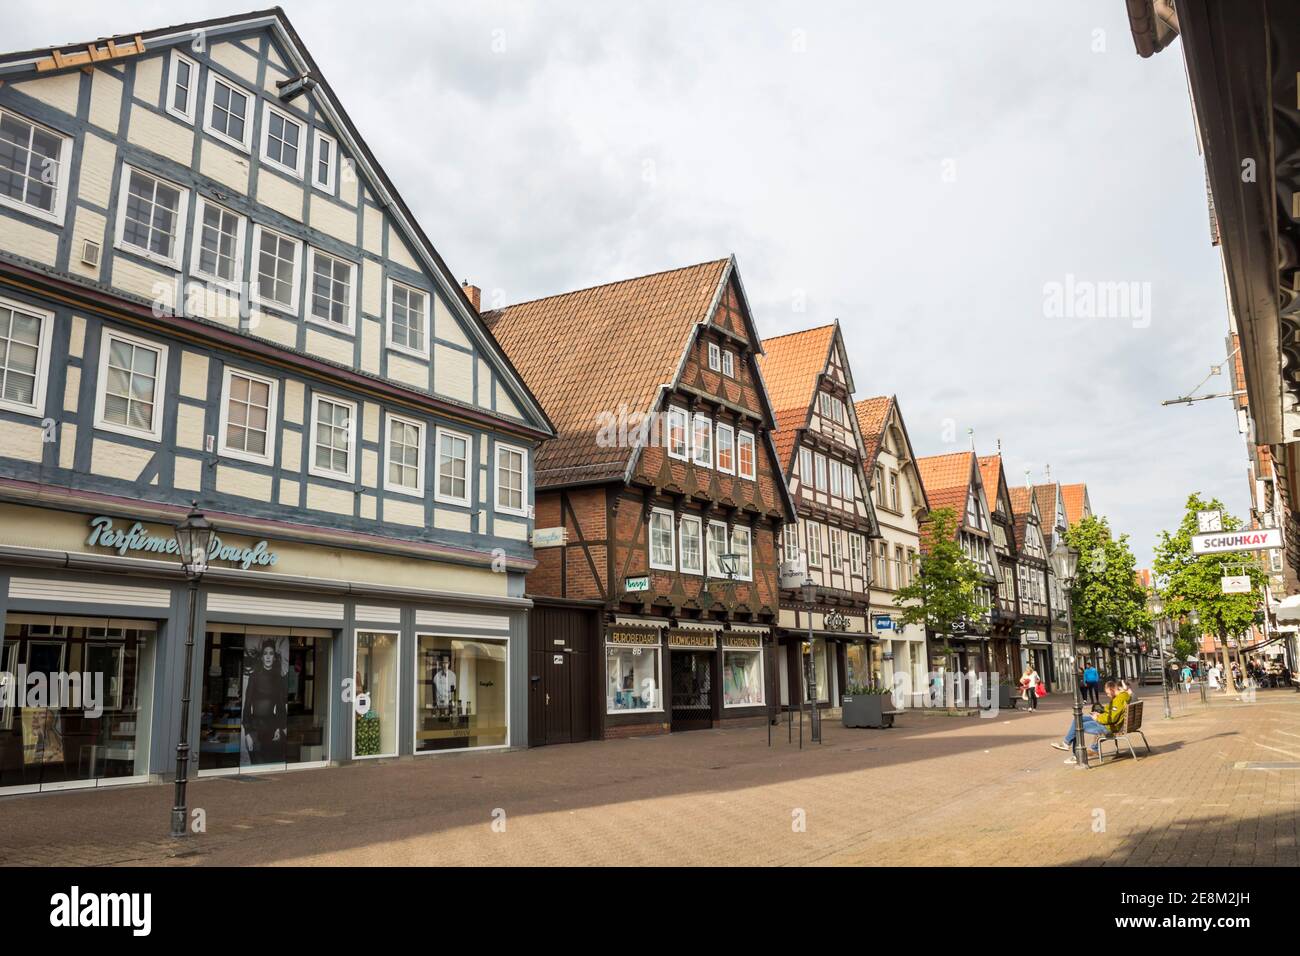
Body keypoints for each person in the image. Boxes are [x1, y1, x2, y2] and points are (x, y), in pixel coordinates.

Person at [1051, 680, 1130, 759]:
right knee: (1078, 719)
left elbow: (1112, 718)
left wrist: (1097, 717)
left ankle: (1075, 753)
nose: (1107, 695)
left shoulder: (1118, 700)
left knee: (1079, 725)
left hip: (1108, 727)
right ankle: (1067, 744)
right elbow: (1113, 712)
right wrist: (1100, 714)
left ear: (1112, 689)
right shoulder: (1123, 696)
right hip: (1108, 723)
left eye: (1108, 693)